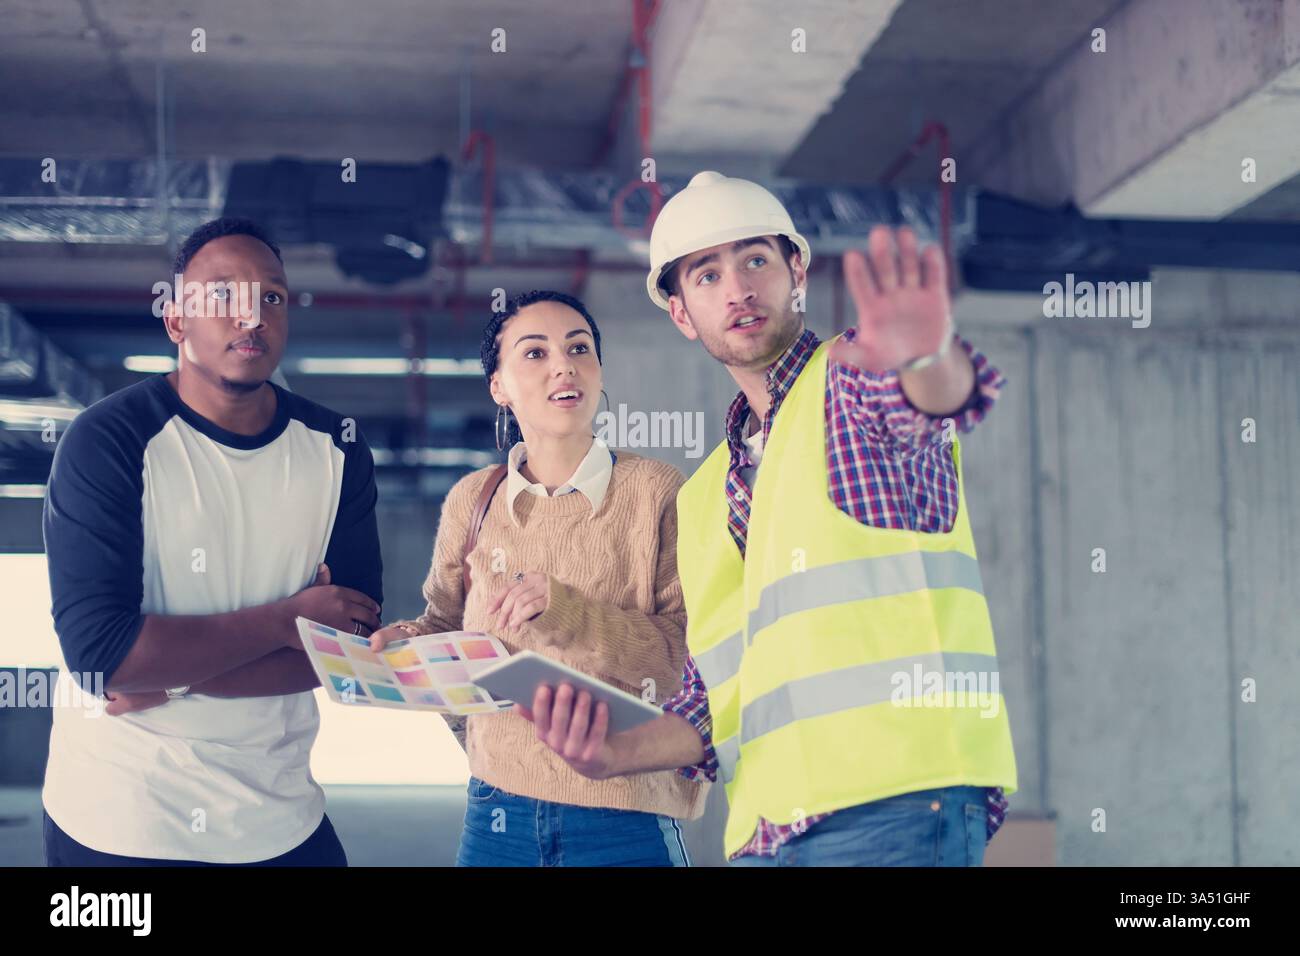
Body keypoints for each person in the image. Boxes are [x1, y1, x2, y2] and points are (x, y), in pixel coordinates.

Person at [517, 171, 1018, 866]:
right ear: (682, 314)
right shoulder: (701, 498)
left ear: (796, 272)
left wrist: (927, 355)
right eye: (707, 275)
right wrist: (611, 754)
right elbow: (716, 703)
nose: (738, 289)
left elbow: (931, 399)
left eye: (755, 260)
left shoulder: (851, 381)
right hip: (767, 833)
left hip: (898, 804)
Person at [41, 216, 383, 866]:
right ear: (175, 320)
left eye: (271, 296)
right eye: (223, 294)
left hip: (279, 812)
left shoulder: (336, 448)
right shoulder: (108, 441)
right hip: (123, 816)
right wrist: (287, 620)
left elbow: (349, 651)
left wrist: (170, 682)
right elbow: (102, 659)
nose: (251, 315)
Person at [369, 289, 705, 867]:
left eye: (579, 348)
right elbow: (445, 624)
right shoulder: (473, 499)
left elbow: (687, 661)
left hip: (624, 818)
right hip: (495, 812)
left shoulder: (657, 492)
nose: (563, 366)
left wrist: (568, 615)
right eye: (535, 353)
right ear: (498, 387)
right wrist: (407, 644)